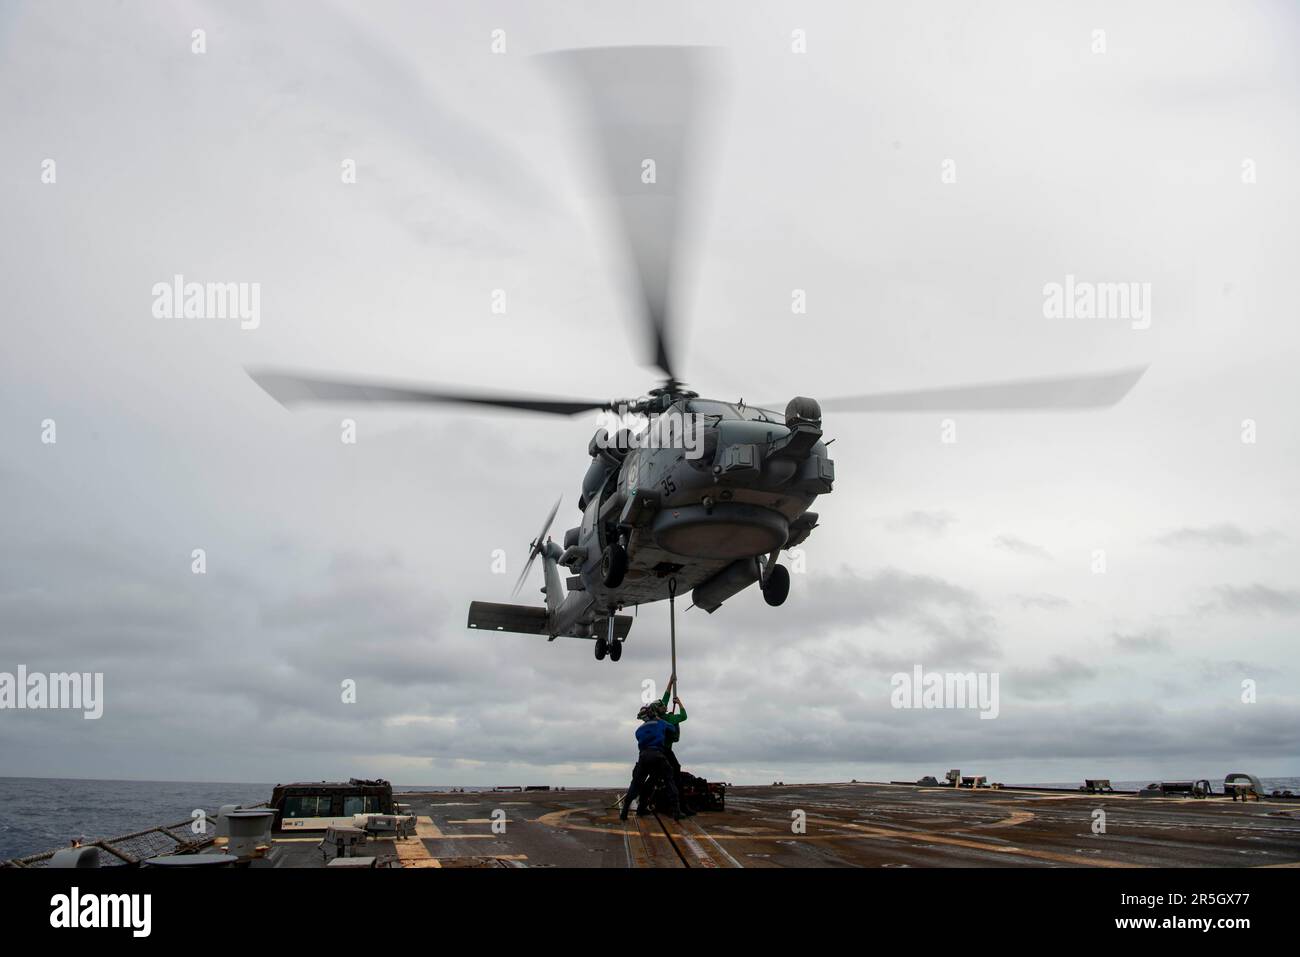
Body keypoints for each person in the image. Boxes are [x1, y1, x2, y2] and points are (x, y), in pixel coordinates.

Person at [620, 704, 681, 821]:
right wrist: (673, 720)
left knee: (636, 784)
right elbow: (673, 730)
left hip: (643, 757)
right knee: (669, 780)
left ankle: (625, 812)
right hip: (658, 755)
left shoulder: (638, 731)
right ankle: (676, 812)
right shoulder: (660, 723)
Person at [655, 678, 694, 816]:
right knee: (675, 774)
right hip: (666, 751)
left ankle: (645, 803)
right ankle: (680, 806)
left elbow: (665, 697)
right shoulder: (670, 719)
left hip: (656, 750)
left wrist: (671, 682)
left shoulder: (659, 717)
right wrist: (679, 702)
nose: (664, 705)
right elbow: (684, 716)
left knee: (654, 777)